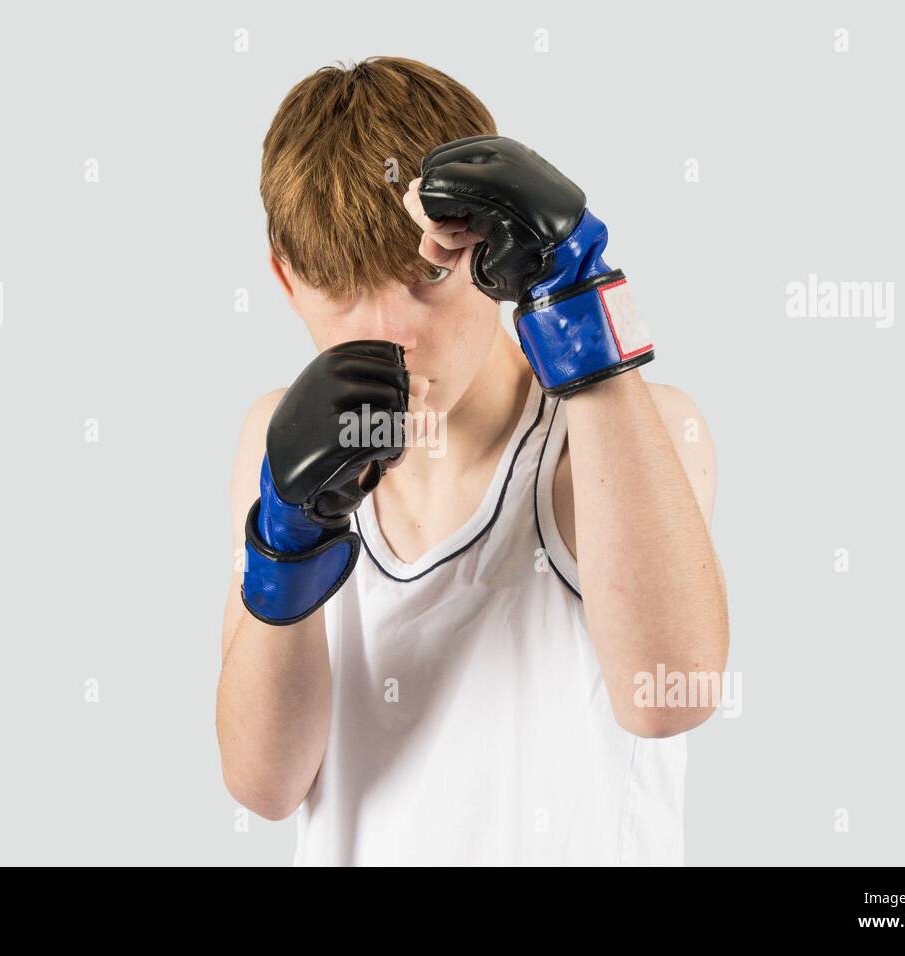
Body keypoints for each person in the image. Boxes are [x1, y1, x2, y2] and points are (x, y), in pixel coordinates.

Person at [217, 57, 729, 866]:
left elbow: (672, 694)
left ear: (492, 249)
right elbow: (265, 784)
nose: (389, 330)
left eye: (428, 275)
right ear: (285, 280)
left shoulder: (622, 430)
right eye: (341, 289)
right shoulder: (278, 440)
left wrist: (579, 311)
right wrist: (287, 539)